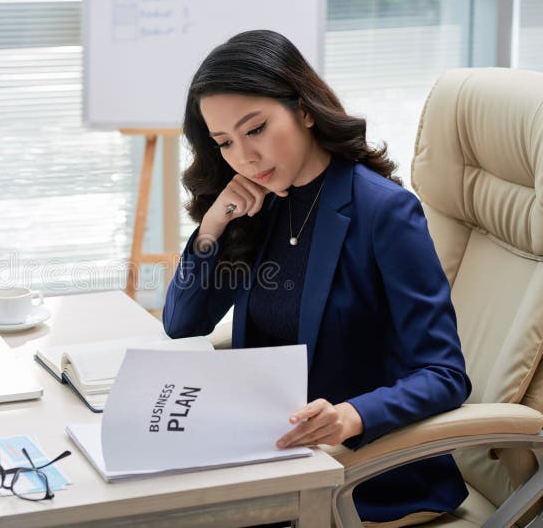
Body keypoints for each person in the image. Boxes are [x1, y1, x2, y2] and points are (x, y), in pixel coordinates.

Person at [163, 29, 472, 523]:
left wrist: (350, 416)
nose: (244, 156)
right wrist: (213, 225)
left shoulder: (384, 212)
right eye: (224, 142)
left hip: (361, 470)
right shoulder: (256, 207)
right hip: (266, 454)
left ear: (304, 109)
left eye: (256, 128)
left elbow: (445, 375)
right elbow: (183, 323)